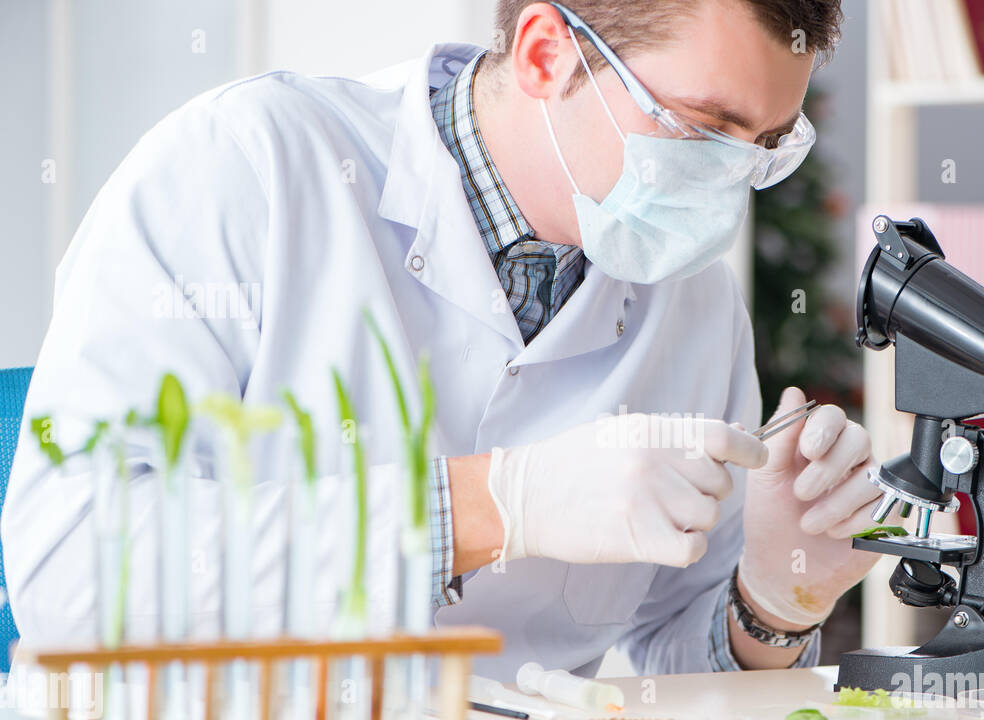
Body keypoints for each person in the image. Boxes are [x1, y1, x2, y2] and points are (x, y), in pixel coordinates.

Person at [2, 0, 882, 680]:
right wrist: (490, 506)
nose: (730, 188)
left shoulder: (692, 299)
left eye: (764, 148)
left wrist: (770, 598)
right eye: (700, 130)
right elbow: (73, 579)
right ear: (546, 53)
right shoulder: (246, 168)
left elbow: (673, 674)